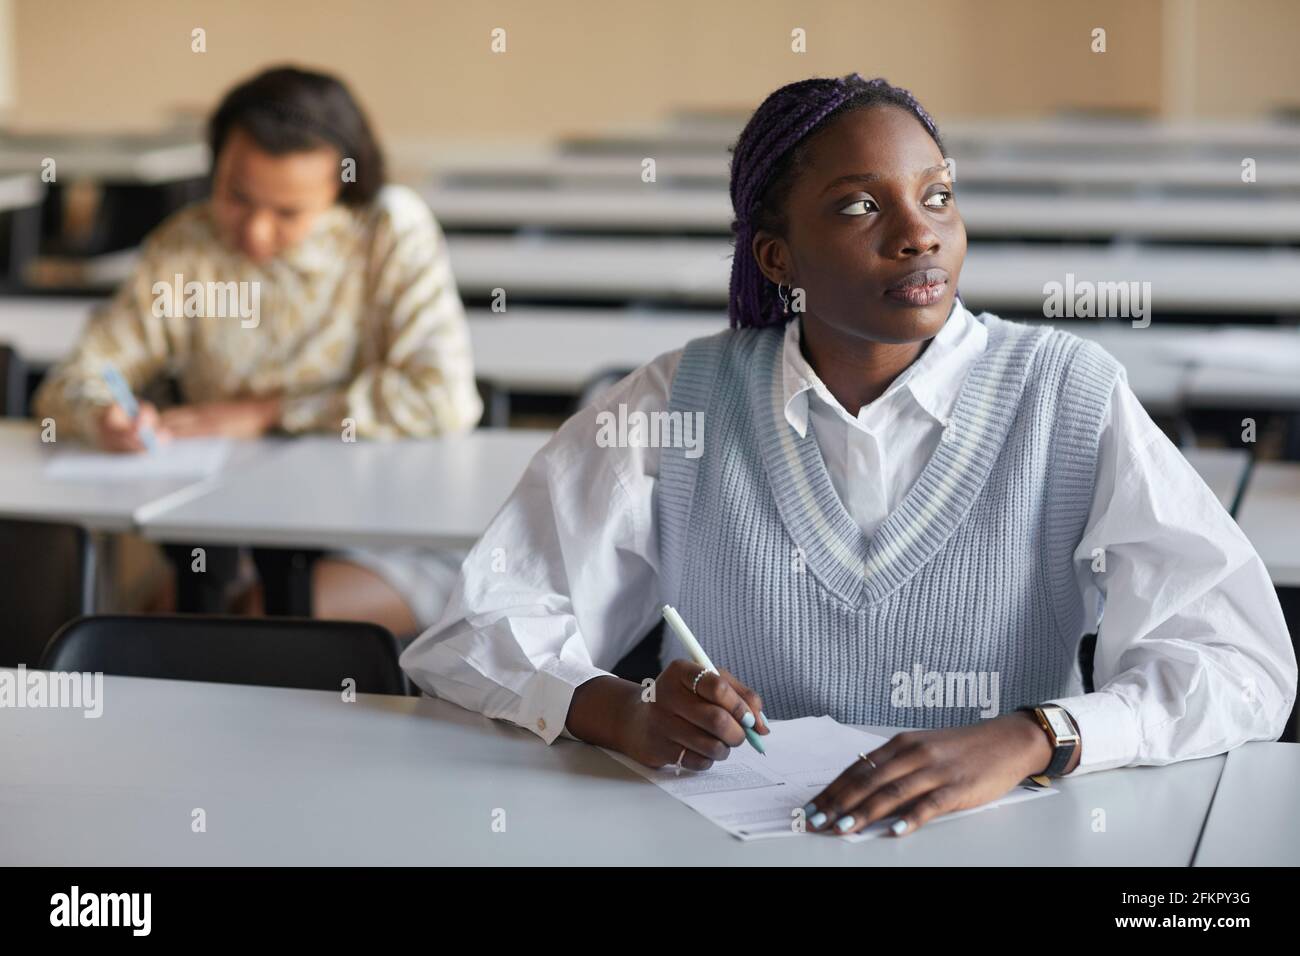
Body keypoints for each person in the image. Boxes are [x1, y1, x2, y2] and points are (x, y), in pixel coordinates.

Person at [400, 75, 1295, 836]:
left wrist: (1037, 735)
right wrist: (618, 709)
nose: (920, 233)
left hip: (1007, 844)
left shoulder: (1066, 395)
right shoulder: (680, 404)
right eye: (862, 206)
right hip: (747, 843)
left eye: (938, 195)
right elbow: (474, 627)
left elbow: (1239, 661)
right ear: (778, 256)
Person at [34, 65, 483, 637]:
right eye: (237, 197)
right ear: (215, 165)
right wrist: (102, 416)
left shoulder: (389, 231)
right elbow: (74, 377)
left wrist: (266, 413)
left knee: (257, 625)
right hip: (237, 538)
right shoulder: (187, 247)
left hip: (391, 536)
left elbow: (443, 396)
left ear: (343, 187)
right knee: (143, 628)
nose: (255, 233)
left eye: (289, 213)